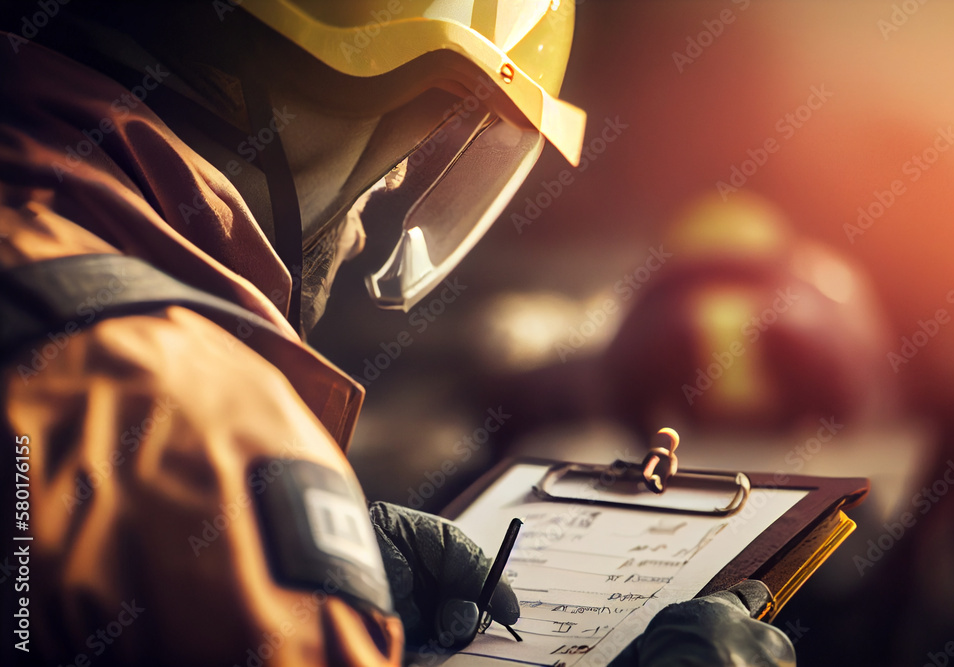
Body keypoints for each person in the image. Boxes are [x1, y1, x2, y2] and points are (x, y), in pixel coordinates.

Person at [0, 1, 794, 664]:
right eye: (431, 118)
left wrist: (286, 582)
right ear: (297, 92)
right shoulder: (199, 429)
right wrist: (251, 544)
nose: (395, 180)